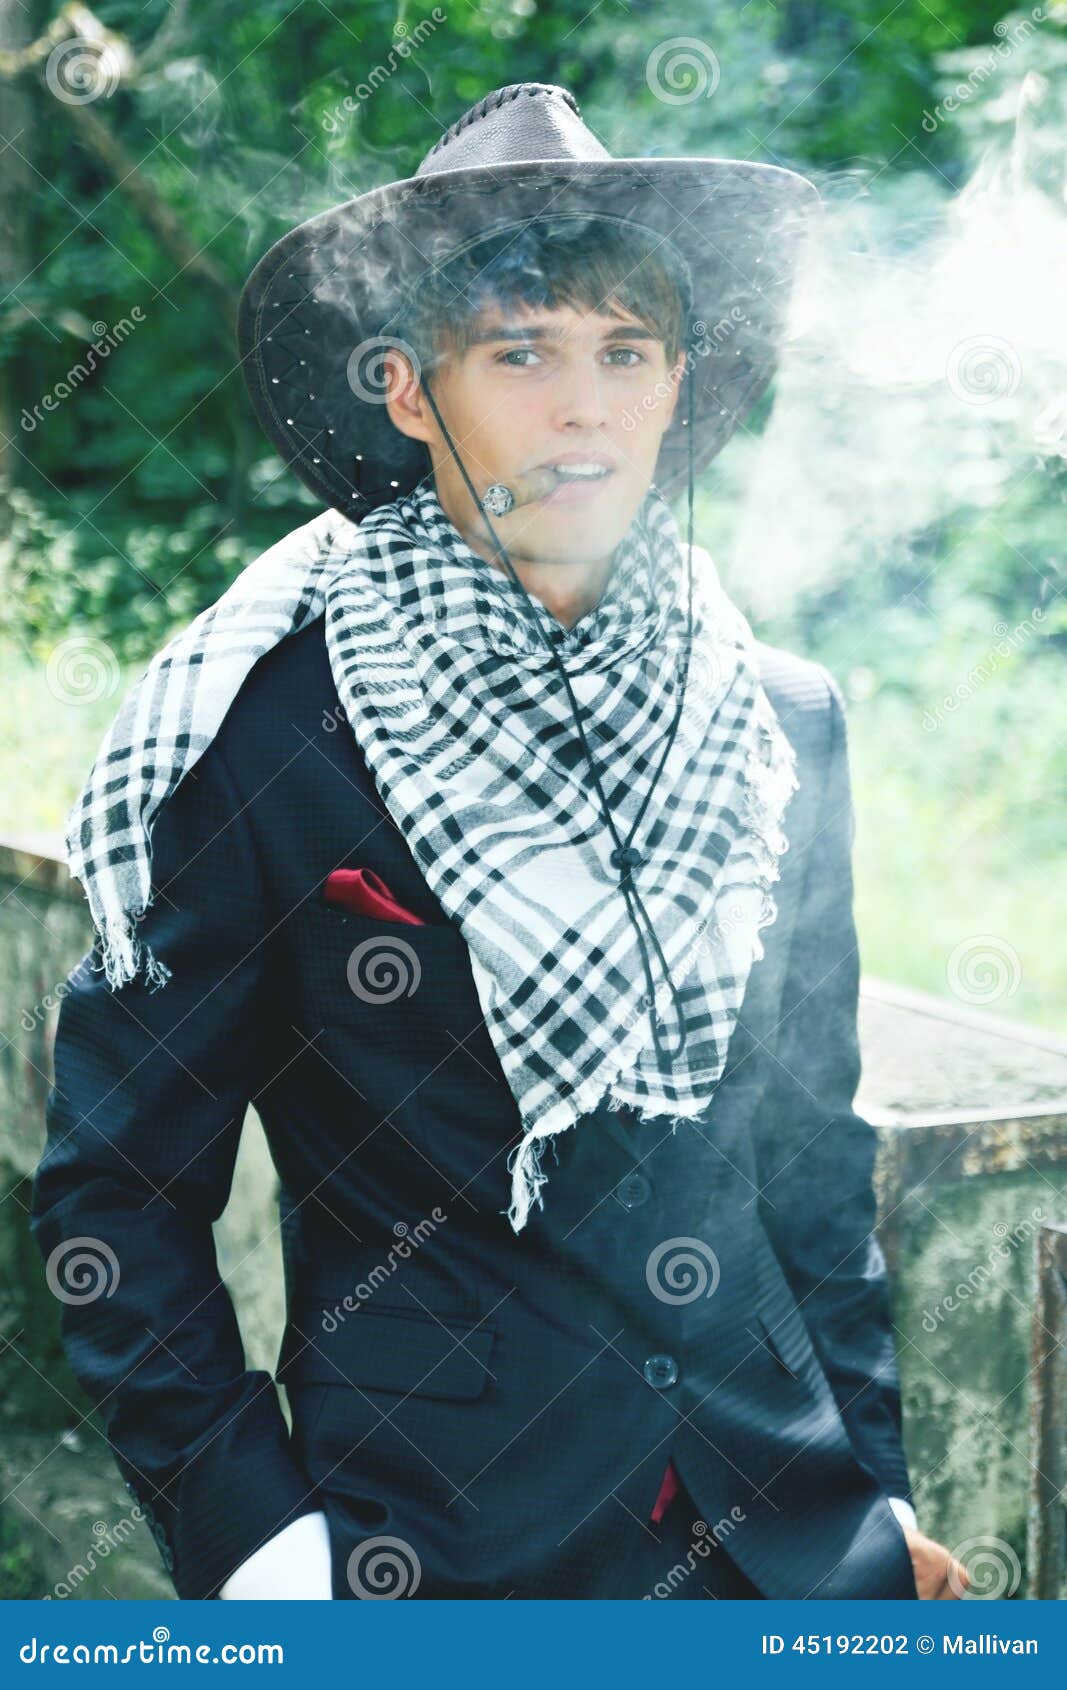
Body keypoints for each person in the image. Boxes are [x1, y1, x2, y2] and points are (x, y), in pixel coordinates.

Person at [31, 81, 967, 1601]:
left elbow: (808, 1166)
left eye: (624, 351)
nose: (581, 404)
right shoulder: (273, 731)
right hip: (434, 1555)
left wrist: (879, 1483)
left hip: (795, 1545)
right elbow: (117, 1194)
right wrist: (262, 1548)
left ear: (676, 387)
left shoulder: (781, 722)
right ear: (412, 390)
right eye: (520, 352)